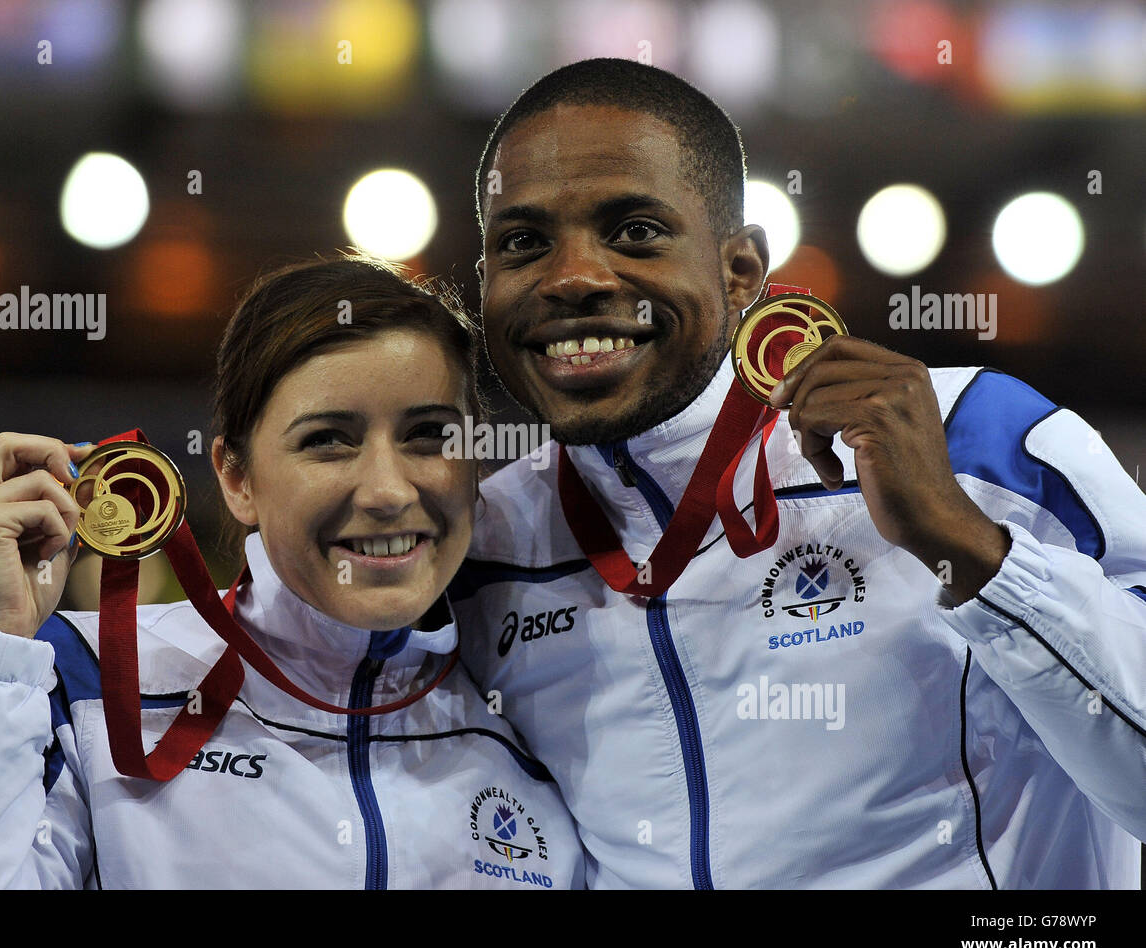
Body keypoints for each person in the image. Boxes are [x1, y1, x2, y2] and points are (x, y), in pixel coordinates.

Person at [451, 58, 1146, 888]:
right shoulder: (480, 547)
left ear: (741, 270)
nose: (572, 278)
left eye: (635, 230)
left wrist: (973, 550)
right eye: (524, 243)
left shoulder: (976, 441)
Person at [0, 255, 585, 889]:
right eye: (328, 440)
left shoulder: (542, 712)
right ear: (237, 477)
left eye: (430, 435)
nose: (390, 491)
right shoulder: (77, 685)